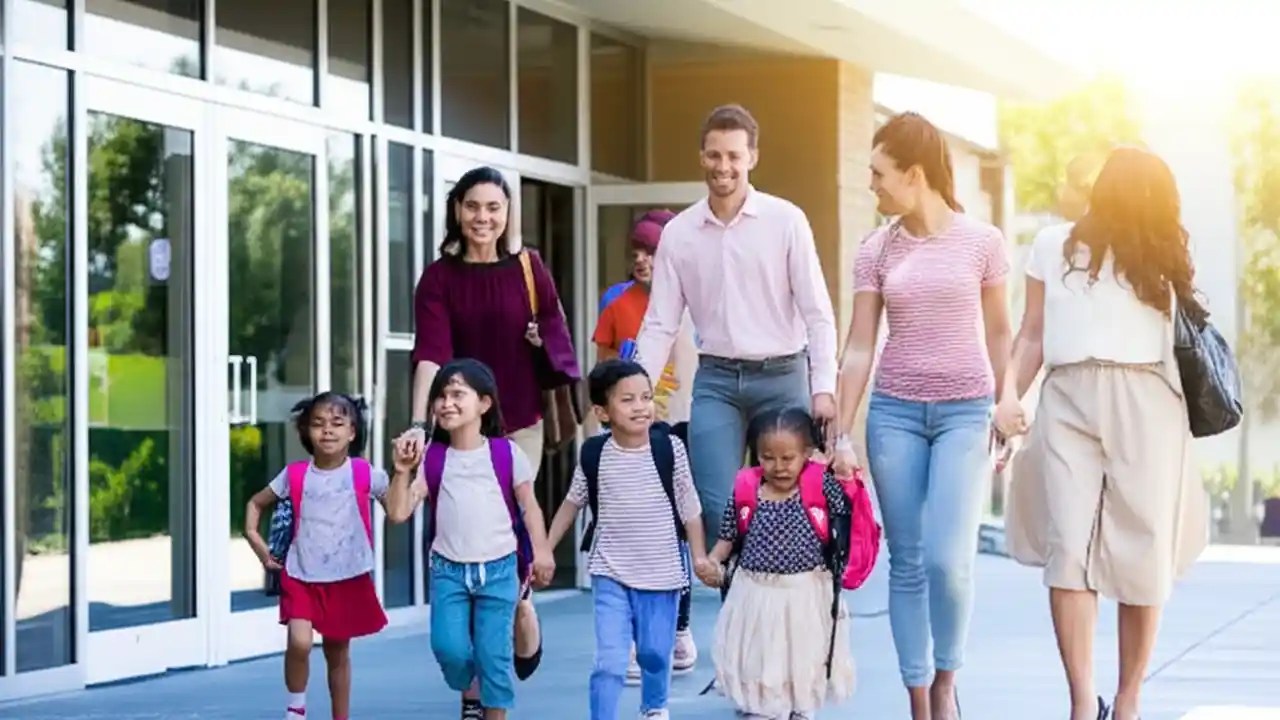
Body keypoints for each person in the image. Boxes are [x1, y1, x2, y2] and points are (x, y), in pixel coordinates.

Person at [996, 146, 1209, 720]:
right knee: (1069, 549)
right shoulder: (1052, 245)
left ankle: (1129, 699)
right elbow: (1033, 333)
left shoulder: (1163, 254)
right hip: (1068, 396)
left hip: (1148, 398)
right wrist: (1009, 396)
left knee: (1144, 553)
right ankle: (1080, 704)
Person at [832, 111, 1014, 720]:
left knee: (948, 560)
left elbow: (1000, 333)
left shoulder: (982, 242)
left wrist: (1008, 399)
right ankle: (918, 697)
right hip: (895, 415)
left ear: (914, 174)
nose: (872, 185)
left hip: (966, 411)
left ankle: (945, 678)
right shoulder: (876, 249)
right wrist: (842, 433)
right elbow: (859, 344)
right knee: (906, 559)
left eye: (880, 174)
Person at [635, 103, 839, 555]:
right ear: (701, 157)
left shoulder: (786, 221)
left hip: (783, 376)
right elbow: (660, 322)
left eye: (733, 155)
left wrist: (822, 386)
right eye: (713, 155)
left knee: (790, 502)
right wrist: (636, 390)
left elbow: (817, 312)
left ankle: (787, 606)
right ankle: (741, 606)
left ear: (752, 158)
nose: (722, 166)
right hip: (717, 382)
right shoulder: (680, 233)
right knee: (717, 507)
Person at [387, 359, 555, 720]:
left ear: (484, 403)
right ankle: (472, 689)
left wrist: (541, 552)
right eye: (441, 396)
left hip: (499, 570)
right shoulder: (433, 457)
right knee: (450, 650)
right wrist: (401, 472)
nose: (446, 403)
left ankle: (487, 699)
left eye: (457, 394)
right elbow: (398, 513)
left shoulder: (506, 453)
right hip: (449, 573)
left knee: (495, 658)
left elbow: (530, 508)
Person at [546, 359, 709, 720]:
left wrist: (698, 557)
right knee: (610, 662)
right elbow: (573, 503)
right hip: (611, 572)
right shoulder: (594, 453)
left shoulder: (670, 449)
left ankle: (654, 707)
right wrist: (545, 549)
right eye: (628, 400)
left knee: (653, 652)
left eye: (646, 397)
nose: (640, 407)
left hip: (662, 574)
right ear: (602, 411)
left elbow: (691, 508)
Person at [399, 165, 580, 475]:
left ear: (507, 212)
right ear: (457, 210)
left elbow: (557, 331)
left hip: (522, 423)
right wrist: (419, 424)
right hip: (460, 424)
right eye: (472, 206)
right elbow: (431, 354)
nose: (482, 217)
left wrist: (542, 339)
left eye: (493, 207)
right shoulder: (438, 278)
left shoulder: (529, 267)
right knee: (465, 517)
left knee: (513, 517)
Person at [592, 209, 701, 678]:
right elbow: (602, 368)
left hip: (678, 422)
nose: (642, 261)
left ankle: (678, 627)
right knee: (632, 529)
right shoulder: (617, 302)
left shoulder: (690, 298)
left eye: (651, 253)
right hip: (630, 428)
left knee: (675, 529)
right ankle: (635, 639)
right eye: (636, 253)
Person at [242, 392, 394, 720]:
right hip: (300, 575)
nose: (327, 431)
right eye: (318, 424)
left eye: (337, 423)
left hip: (347, 577)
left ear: (352, 432)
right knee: (299, 642)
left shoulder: (365, 473)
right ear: (306, 431)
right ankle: (296, 709)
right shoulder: (294, 474)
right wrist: (257, 544)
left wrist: (411, 474)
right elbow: (255, 504)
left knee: (337, 653)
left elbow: (396, 510)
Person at [697, 407, 856, 719]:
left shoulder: (821, 486)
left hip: (805, 590)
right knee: (759, 655)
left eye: (788, 458)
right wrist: (713, 561)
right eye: (768, 457)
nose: (778, 466)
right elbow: (728, 535)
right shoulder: (746, 489)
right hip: (754, 591)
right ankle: (763, 707)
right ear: (756, 454)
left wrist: (842, 468)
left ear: (807, 454)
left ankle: (799, 705)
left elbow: (849, 511)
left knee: (801, 654)